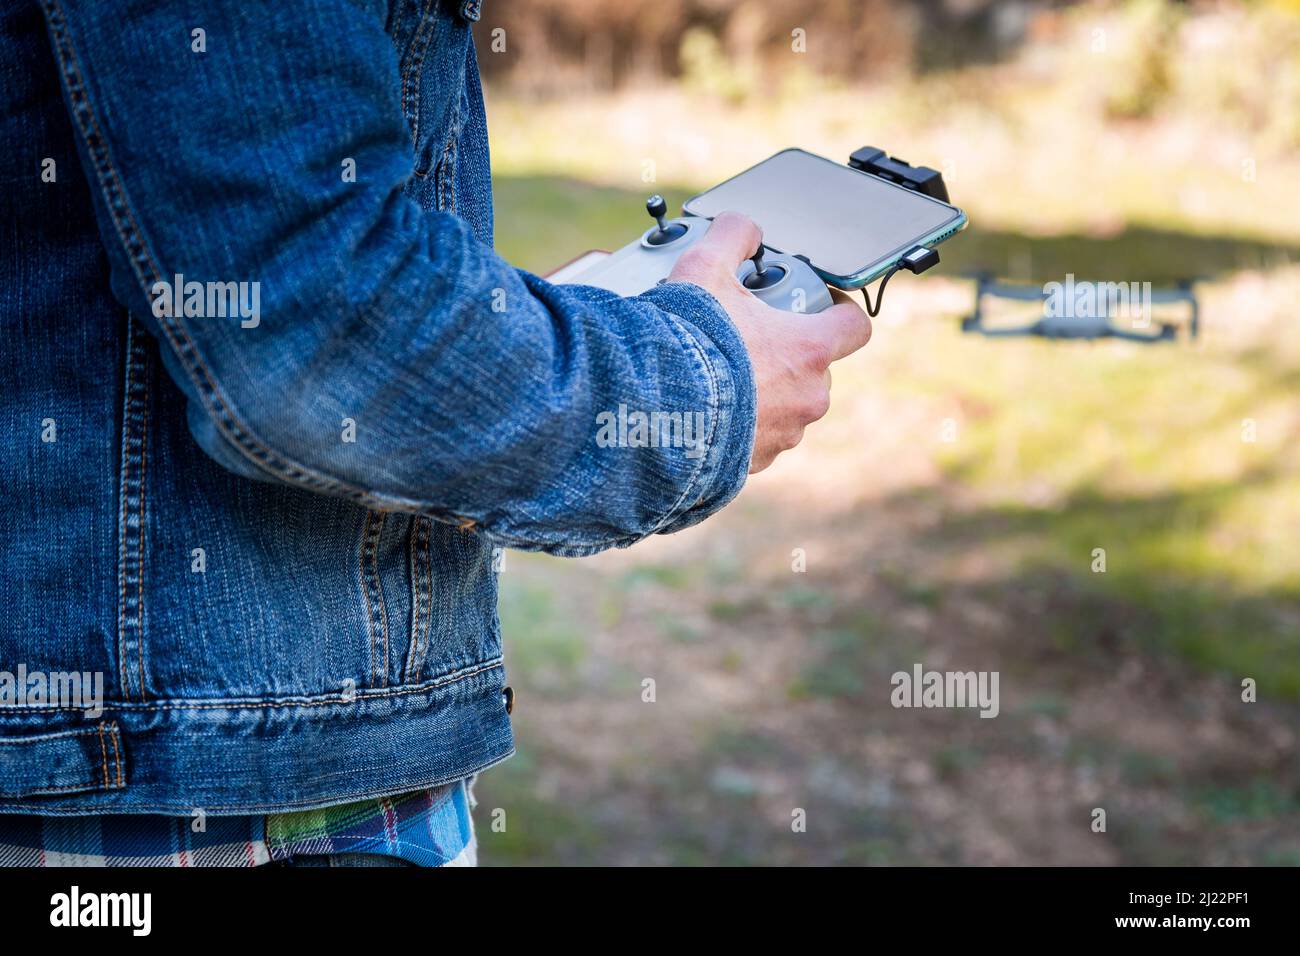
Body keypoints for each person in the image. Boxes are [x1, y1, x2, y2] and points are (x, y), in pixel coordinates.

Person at [0, 0, 870, 866]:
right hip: (215, 796)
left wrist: (518, 331)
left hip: (226, 753)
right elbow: (310, 314)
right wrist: (701, 386)